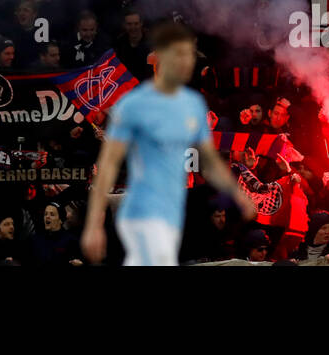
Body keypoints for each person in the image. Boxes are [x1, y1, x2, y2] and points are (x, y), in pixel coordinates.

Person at [81, 23, 255, 266]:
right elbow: (109, 165)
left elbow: (209, 160)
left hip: (188, 202)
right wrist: (93, 225)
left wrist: (238, 194)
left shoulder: (193, 104)